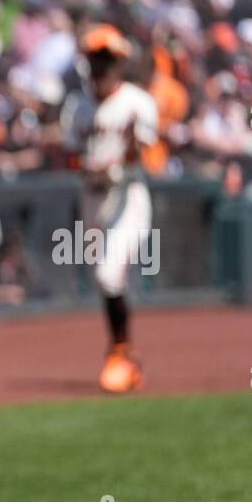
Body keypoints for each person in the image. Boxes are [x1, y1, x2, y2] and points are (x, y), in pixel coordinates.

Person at [80, 25, 158, 393]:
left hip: (128, 199)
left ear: (120, 65)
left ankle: (120, 354)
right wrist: (81, 165)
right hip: (92, 198)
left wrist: (118, 158)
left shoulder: (137, 102)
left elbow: (140, 151)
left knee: (109, 275)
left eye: (107, 61)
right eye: (96, 61)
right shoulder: (78, 105)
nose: (101, 68)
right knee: (103, 278)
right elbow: (66, 151)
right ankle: (122, 350)